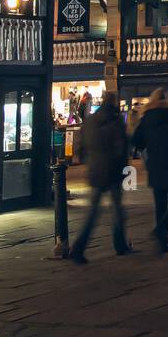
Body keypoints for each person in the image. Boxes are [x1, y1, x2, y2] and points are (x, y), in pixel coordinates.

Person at [67, 91, 131, 263]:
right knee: (118, 210)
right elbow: (122, 150)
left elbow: (81, 150)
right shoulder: (117, 122)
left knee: (93, 213)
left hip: (96, 171)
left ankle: (79, 247)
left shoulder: (90, 122)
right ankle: (120, 245)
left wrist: (90, 163)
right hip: (113, 171)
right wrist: (126, 172)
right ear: (115, 102)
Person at [132, 87, 168, 251]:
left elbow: (136, 140)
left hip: (155, 165)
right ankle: (161, 230)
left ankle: (163, 241)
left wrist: (148, 148)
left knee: (160, 205)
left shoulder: (146, 118)